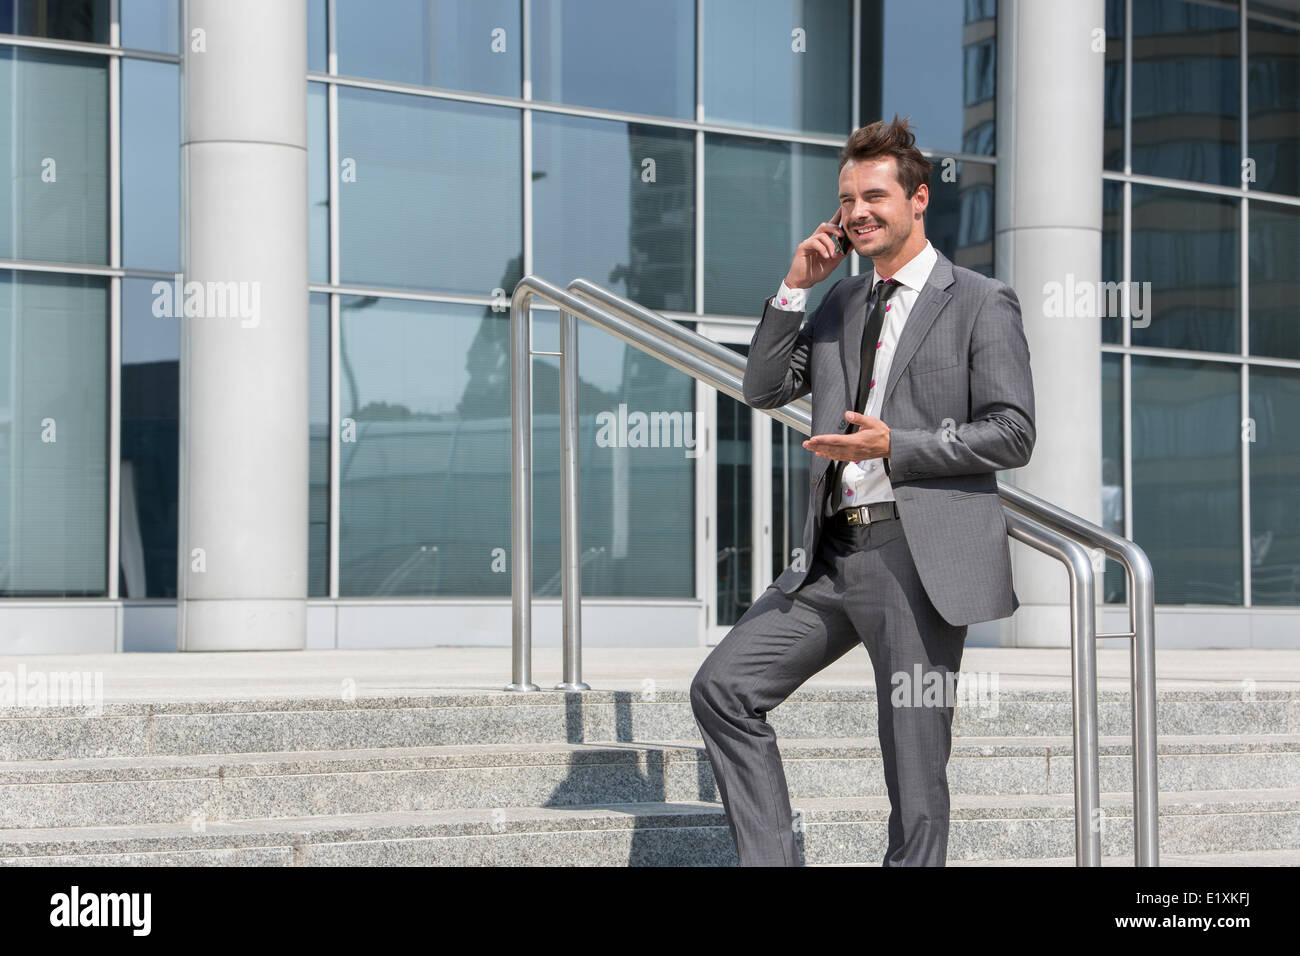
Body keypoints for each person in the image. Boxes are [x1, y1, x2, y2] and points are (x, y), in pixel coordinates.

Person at [689, 116, 1036, 866]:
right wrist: (793, 287)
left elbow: (1012, 432)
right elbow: (763, 386)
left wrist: (897, 446)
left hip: (918, 560)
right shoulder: (842, 305)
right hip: (829, 557)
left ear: (918, 199)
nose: (856, 212)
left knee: (914, 771)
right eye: (846, 199)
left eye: (873, 195)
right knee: (723, 688)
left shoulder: (979, 300)